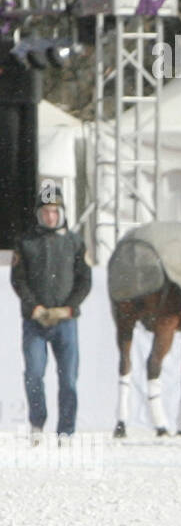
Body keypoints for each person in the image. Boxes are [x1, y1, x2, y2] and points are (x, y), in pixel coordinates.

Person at [12, 182, 91, 444]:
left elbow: (84, 279)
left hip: (66, 321)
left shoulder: (75, 242)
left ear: (62, 212)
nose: (50, 216)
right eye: (45, 212)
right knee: (34, 374)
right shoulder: (26, 242)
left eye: (55, 211)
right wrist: (34, 306)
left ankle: (66, 430)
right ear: (38, 214)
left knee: (68, 378)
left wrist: (70, 306)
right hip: (35, 321)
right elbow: (18, 279)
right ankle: (37, 422)